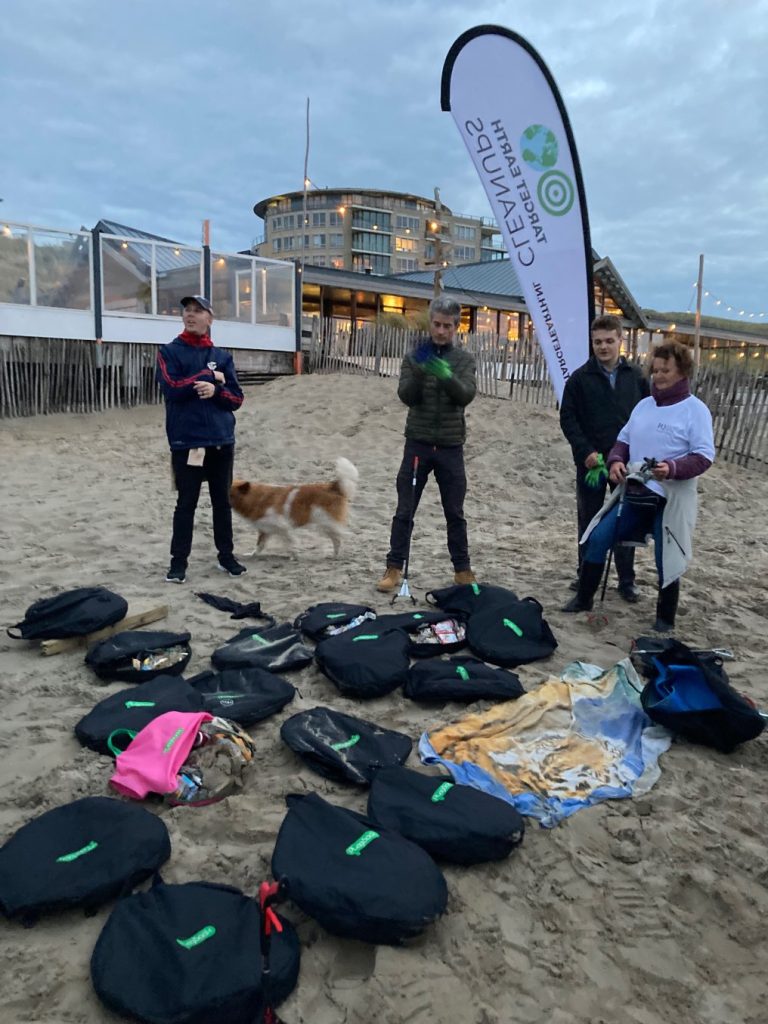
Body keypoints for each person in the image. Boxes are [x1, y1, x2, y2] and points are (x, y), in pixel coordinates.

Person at [562, 340, 715, 632]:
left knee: (666, 557)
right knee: (598, 537)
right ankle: (584, 598)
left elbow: (704, 456)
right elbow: (624, 439)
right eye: (655, 370)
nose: (658, 376)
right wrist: (617, 460)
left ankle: (664, 619)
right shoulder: (644, 405)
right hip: (635, 491)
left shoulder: (695, 411)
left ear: (682, 371)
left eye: (665, 370)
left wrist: (672, 468)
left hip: (669, 498)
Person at [376, 296, 477, 593]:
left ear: (457, 327)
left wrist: (445, 375)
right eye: (436, 324)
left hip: (450, 446)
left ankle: (462, 569)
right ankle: (393, 568)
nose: (441, 331)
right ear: (430, 323)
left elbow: (465, 396)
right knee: (405, 510)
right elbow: (406, 396)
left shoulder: (464, 360)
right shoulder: (413, 357)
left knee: (455, 512)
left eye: (447, 325)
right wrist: (421, 371)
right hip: (417, 443)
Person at [156, 295, 246, 584]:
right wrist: (208, 376)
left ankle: (226, 556)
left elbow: (235, 399)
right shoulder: (169, 351)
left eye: (198, 311)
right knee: (186, 504)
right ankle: (178, 562)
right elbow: (172, 388)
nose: (191, 315)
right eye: (187, 310)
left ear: (210, 318)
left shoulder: (223, 356)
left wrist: (217, 389)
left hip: (221, 440)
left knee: (222, 502)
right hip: (187, 442)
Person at [559, 314, 649, 602]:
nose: (603, 347)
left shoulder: (636, 377)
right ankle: (585, 572)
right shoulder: (580, 379)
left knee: (624, 519)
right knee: (589, 517)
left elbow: (646, 415)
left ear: (620, 341)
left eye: (609, 341)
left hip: (625, 462)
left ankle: (626, 580)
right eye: (598, 342)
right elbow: (568, 419)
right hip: (592, 464)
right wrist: (584, 451)